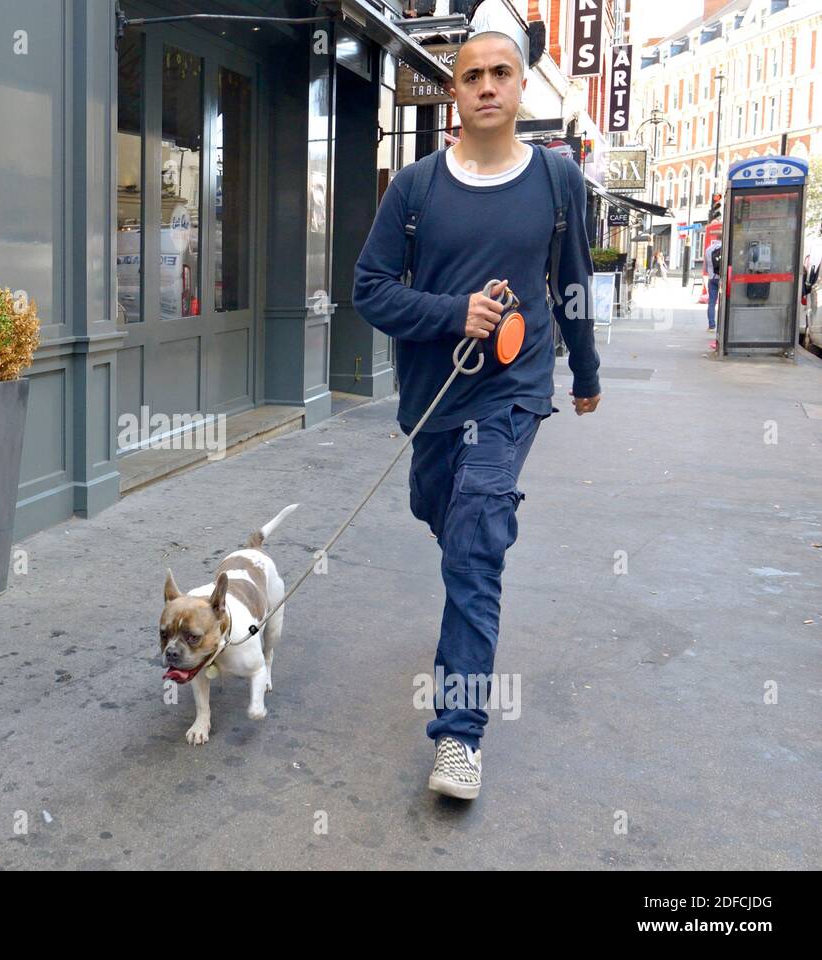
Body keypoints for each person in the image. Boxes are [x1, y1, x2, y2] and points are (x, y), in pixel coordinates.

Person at [352, 30, 600, 800]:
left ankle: (459, 736)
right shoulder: (417, 190)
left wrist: (584, 372)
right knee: (441, 508)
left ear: (521, 87)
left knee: (475, 540)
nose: (487, 85)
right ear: (454, 92)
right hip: (433, 398)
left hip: (512, 394)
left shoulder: (559, 182)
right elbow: (368, 289)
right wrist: (452, 313)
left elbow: (573, 284)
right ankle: (461, 537)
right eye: (472, 76)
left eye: (501, 73)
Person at [704, 238, 722, 332]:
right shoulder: (725, 248)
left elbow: (706, 268)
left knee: (712, 302)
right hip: (723, 278)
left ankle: (711, 325)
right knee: (724, 303)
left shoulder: (708, 249)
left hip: (712, 278)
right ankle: (723, 325)